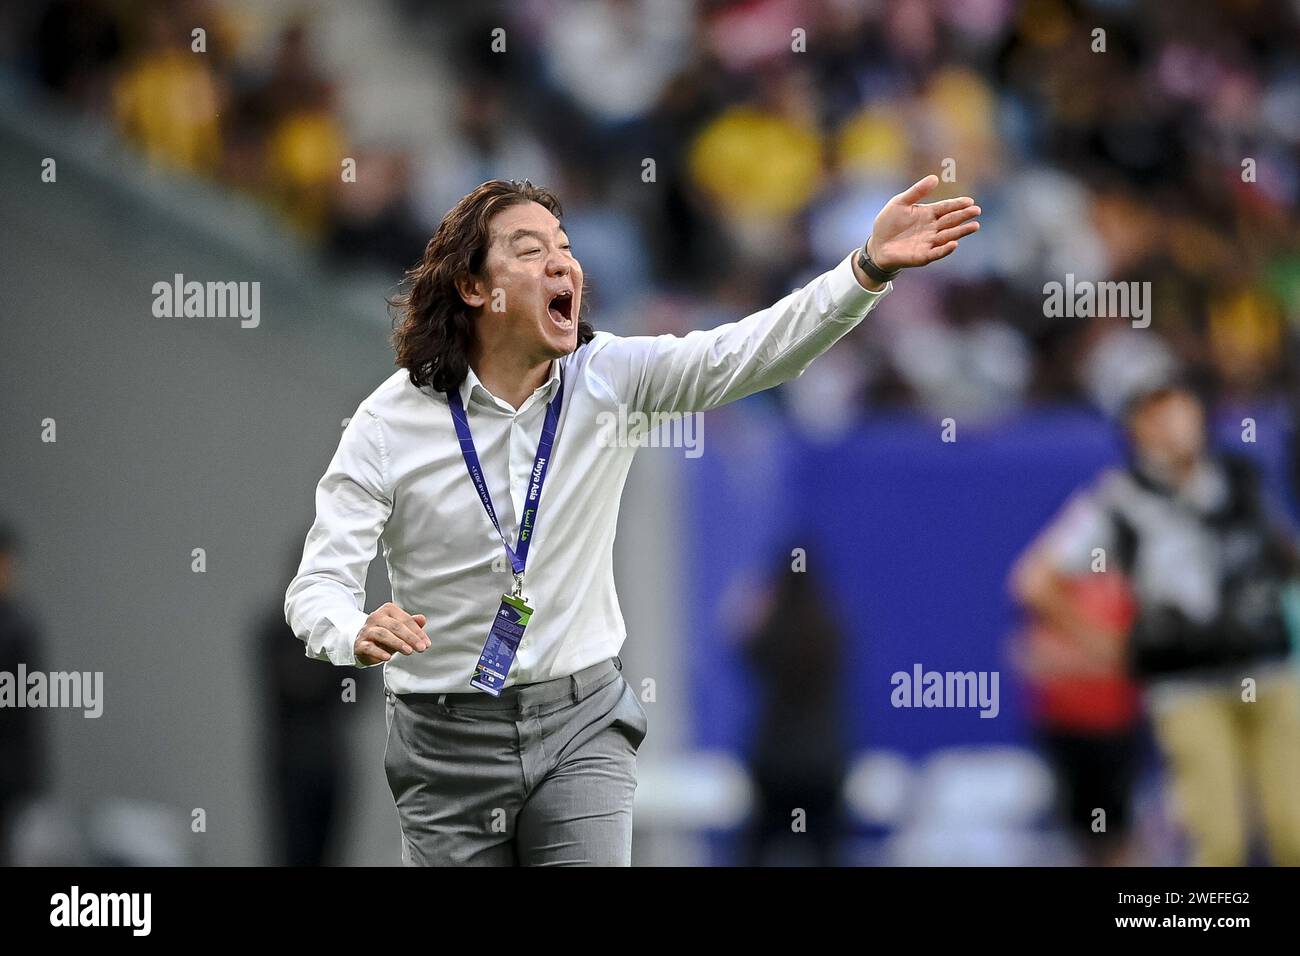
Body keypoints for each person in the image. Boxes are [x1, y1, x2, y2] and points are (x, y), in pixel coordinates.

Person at [284, 175, 981, 866]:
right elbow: (317, 584)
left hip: (580, 722)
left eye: (564, 246)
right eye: (529, 251)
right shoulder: (387, 421)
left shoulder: (607, 378)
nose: (561, 262)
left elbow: (752, 352)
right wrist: (353, 629)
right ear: (473, 288)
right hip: (443, 741)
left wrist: (865, 269)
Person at [1012, 383, 1300, 866]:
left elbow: (1281, 555)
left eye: (1179, 411)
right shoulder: (1119, 500)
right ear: (1135, 429)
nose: (1172, 426)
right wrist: (1105, 646)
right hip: (1187, 681)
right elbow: (1033, 582)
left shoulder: (1238, 477)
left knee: (1293, 831)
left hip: (1269, 669)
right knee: (1220, 839)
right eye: (1155, 415)